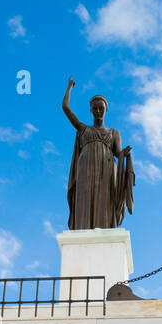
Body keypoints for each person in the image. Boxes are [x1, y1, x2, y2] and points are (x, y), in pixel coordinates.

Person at [61, 78, 134, 229]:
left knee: (105, 199)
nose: (98, 111)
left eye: (101, 108)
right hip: (85, 168)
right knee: (84, 198)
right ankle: (82, 227)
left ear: (106, 110)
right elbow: (66, 108)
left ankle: (105, 227)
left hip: (106, 170)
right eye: (95, 109)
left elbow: (118, 153)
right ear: (91, 110)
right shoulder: (83, 129)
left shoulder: (114, 133)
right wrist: (69, 88)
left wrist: (125, 154)